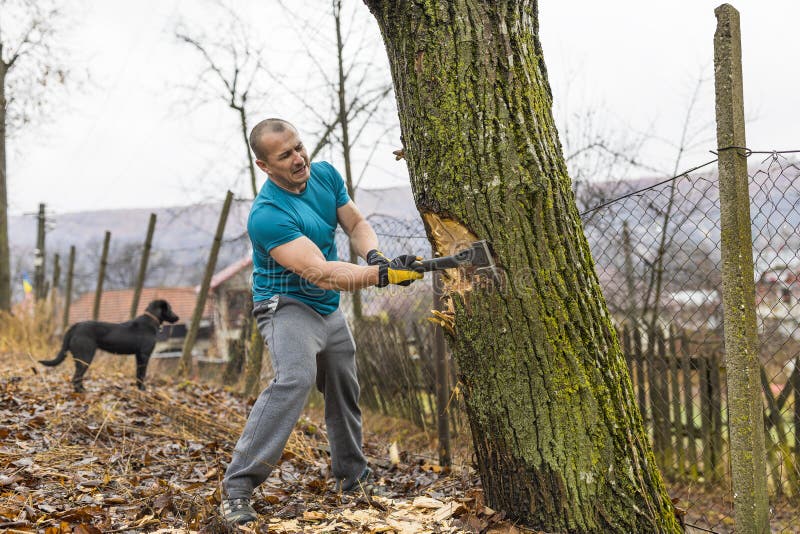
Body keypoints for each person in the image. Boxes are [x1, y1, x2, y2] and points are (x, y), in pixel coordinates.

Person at [219, 118, 425, 526]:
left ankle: (354, 478)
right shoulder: (268, 215)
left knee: (343, 384)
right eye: (285, 155)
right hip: (286, 304)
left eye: (299, 147)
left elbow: (356, 224)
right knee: (294, 378)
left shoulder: (326, 174)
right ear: (265, 166)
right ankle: (237, 489)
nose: (298, 159)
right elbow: (321, 272)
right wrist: (383, 277)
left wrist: (376, 259)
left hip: (327, 305)